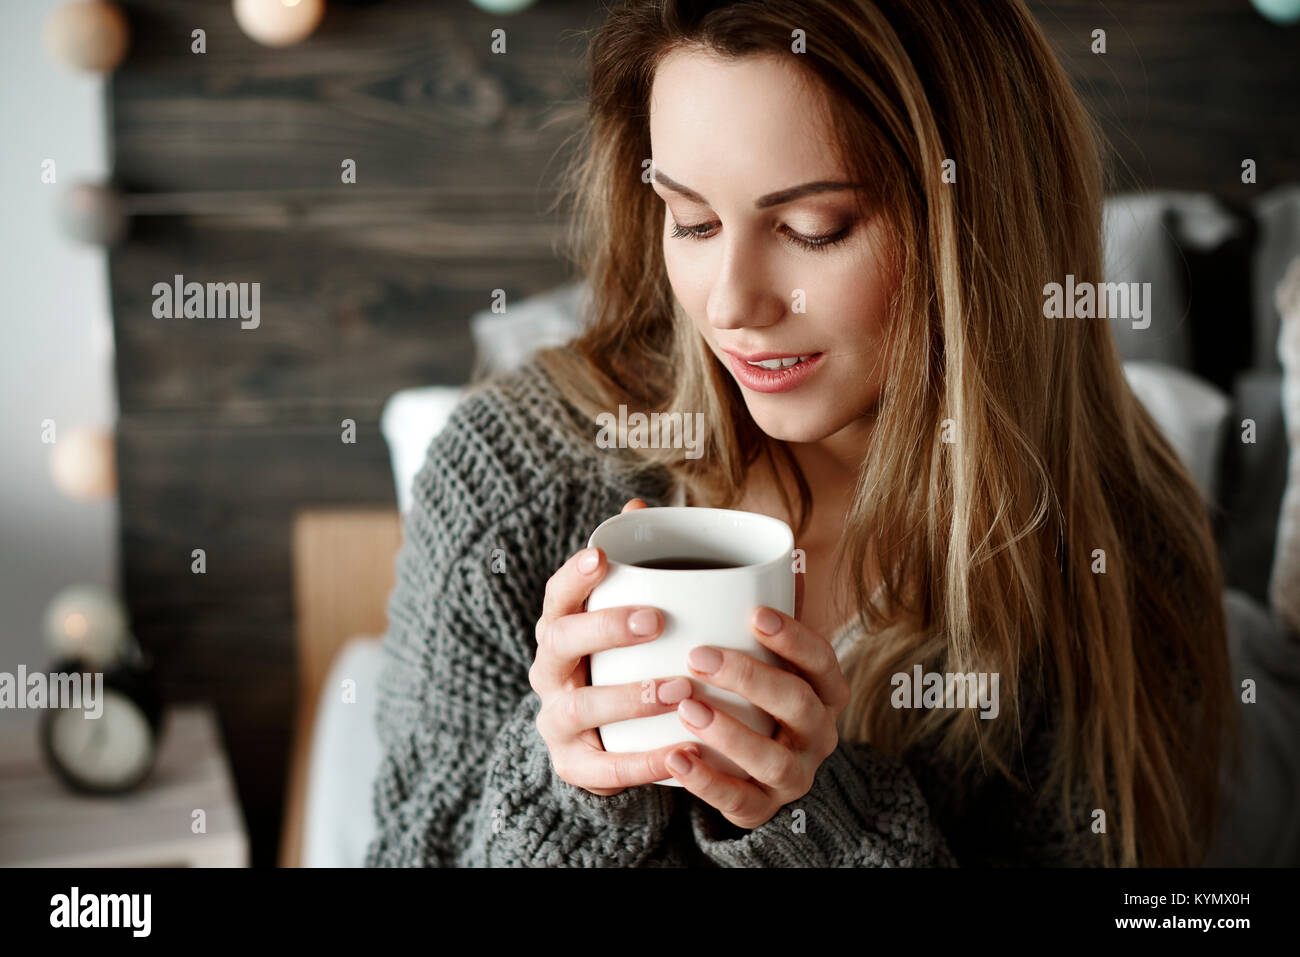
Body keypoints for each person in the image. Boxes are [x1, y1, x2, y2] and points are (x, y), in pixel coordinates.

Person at [365, 0, 1239, 867]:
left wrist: (824, 825)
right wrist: (568, 791)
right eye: (693, 222)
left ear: (977, 226)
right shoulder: (512, 483)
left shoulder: (1106, 550)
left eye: (811, 229)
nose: (730, 303)